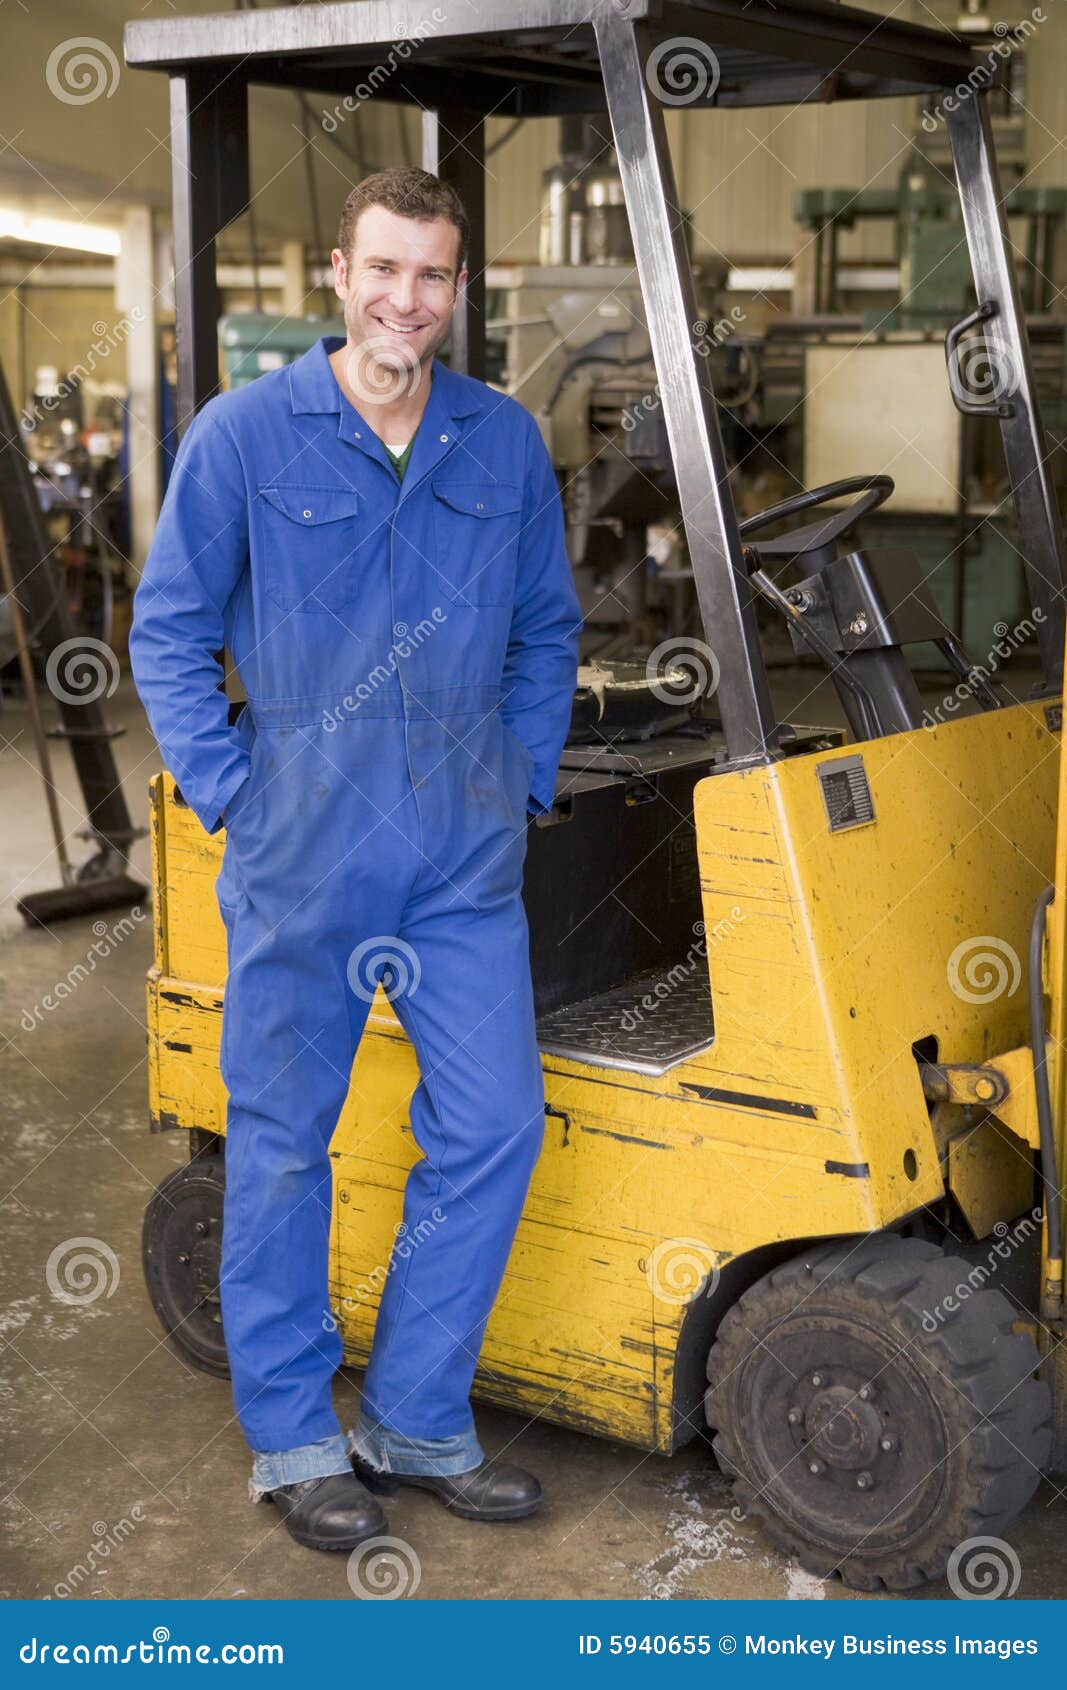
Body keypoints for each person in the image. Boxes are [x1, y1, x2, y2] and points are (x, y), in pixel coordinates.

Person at [129, 167, 582, 1552]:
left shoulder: (501, 442)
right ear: (338, 274)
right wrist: (230, 793)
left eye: (434, 275)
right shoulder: (245, 438)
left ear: (459, 288)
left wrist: (518, 779)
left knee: (496, 1121)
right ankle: (291, 1433)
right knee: (279, 1141)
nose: (408, 299)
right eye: (384, 270)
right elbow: (166, 628)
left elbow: (547, 628)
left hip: (458, 854)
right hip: (303, 848)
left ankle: (415, 1413)